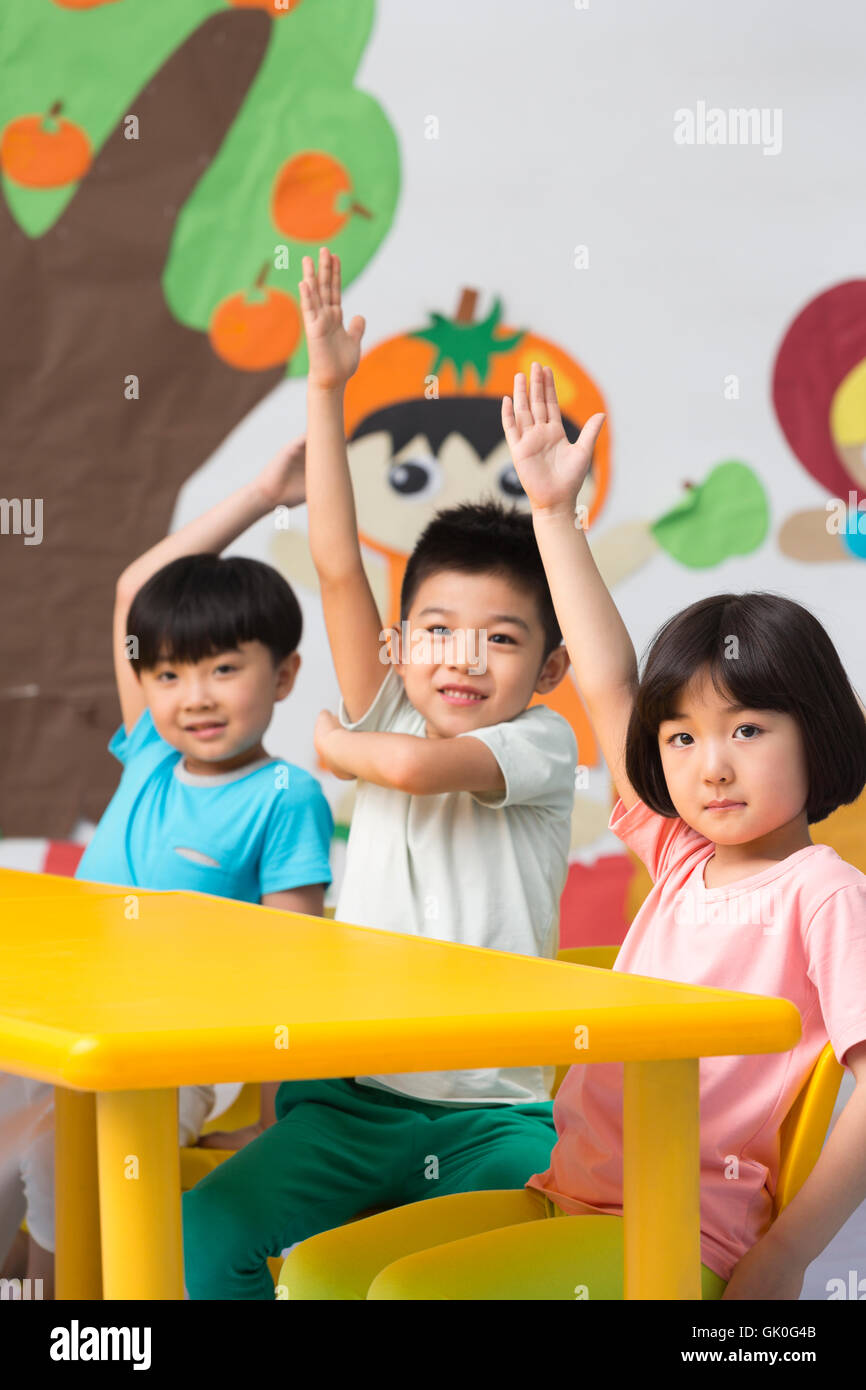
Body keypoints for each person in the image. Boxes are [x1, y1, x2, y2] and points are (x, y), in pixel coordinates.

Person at [280, 362, 866, 1300]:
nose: (710, 764)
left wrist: (786, 1255)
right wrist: (553, 510)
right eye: (681, 738)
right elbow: (608, 687)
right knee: (317, 1273)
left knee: (402, 1295)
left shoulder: (824, 893)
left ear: (820, 728)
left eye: (747, 729)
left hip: (675, 1231)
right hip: (566, 1192)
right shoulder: (681, 860)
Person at [181, 250, 578, 1300]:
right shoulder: (394, 690)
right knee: (202, 1232)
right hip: (353, 1099)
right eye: (437, 630)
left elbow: (407, 767)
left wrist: (333, 745)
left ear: (547, 668)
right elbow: (335, 563)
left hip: (494, 1113)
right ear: (402, 646)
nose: (461, 656)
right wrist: (324, 386)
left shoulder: (538, 744)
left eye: (498, 640)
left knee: (407, 1284)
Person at [0, 440, 334, 1297]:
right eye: (171, 674)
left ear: (284, 674)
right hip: (53, 1023)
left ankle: (61, 1306)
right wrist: (262, 493)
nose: (196, 696)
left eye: (226, 670)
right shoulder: (149, 752)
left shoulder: (284, 796)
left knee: (47, 1145)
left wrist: (273, 1122)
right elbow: (132, 594)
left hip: (165, 1054)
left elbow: (291, 965)